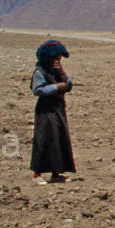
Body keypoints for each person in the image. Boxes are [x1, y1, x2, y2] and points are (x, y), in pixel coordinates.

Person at [30, 39, 75, 184]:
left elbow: (68, 85)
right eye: (56, 57)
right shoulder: (40, 71)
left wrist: (62, 72)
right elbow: (37, 89)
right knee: (44, 138)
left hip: (58, 107)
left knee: (59, 137)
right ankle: (37, 174)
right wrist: (56, 87)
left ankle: (56, 173)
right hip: (45, 109)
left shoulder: (57, 71)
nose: (58, 60)